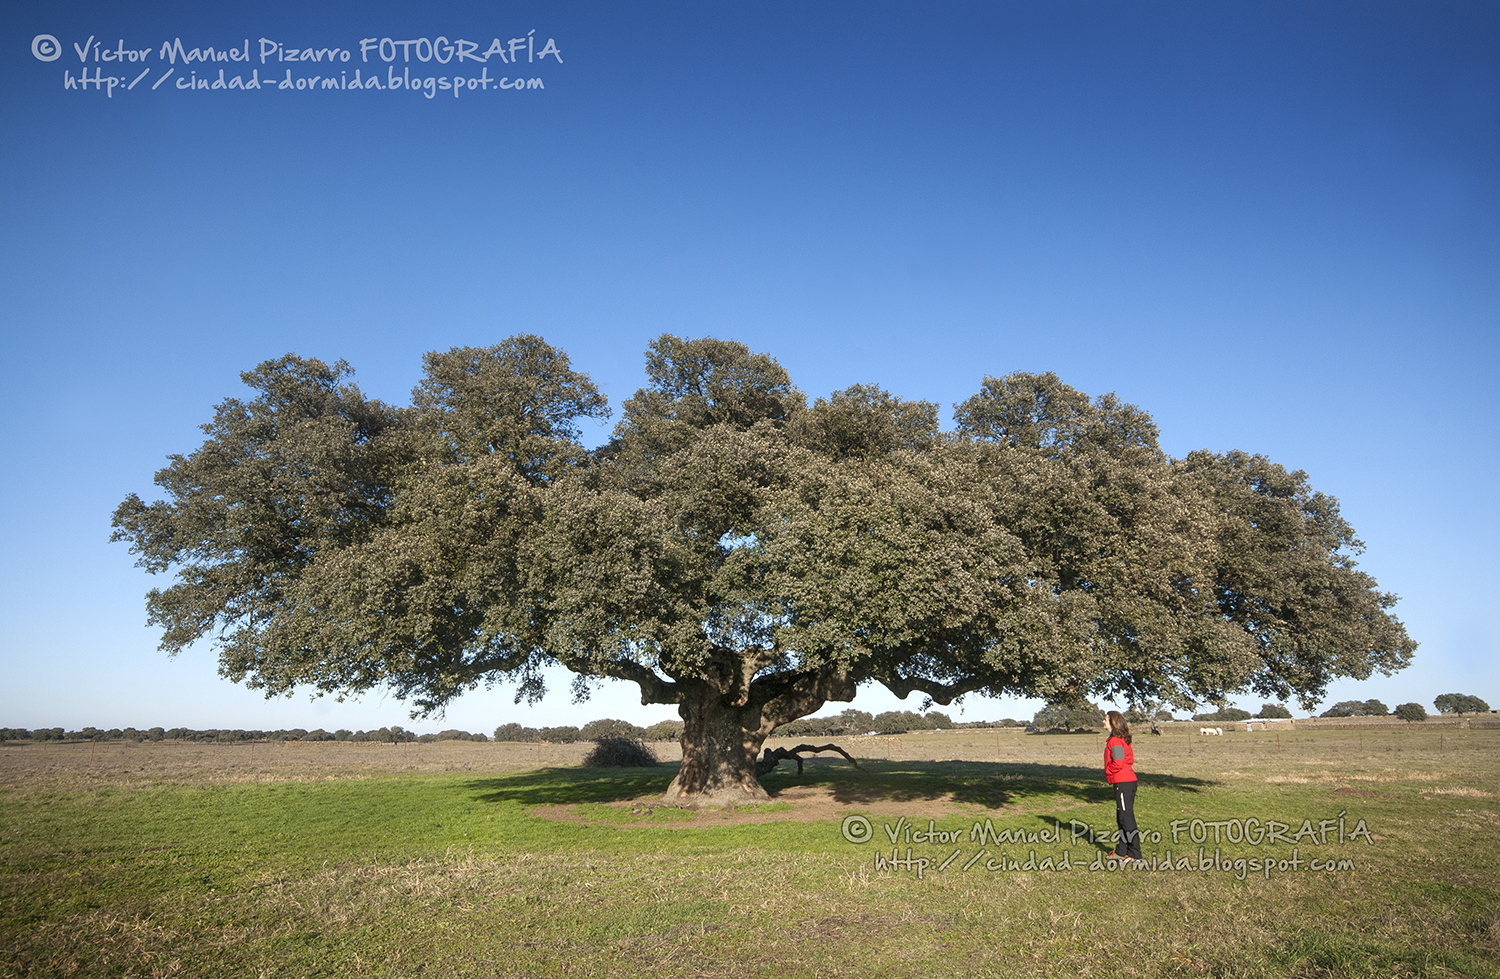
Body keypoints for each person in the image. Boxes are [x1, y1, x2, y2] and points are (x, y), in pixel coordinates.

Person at [1103, 710, 1142, 862]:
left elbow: (1118, 763)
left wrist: (1108, 771)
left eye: (1106, 719)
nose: (1103, 722)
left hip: (1124, 782)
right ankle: (1121, 850)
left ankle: (1135, 853)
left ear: (1112, 722)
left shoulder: (1115, 741)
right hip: (1124, 781)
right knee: (1122, 817)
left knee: (1126, 818)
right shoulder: (1116, 739)